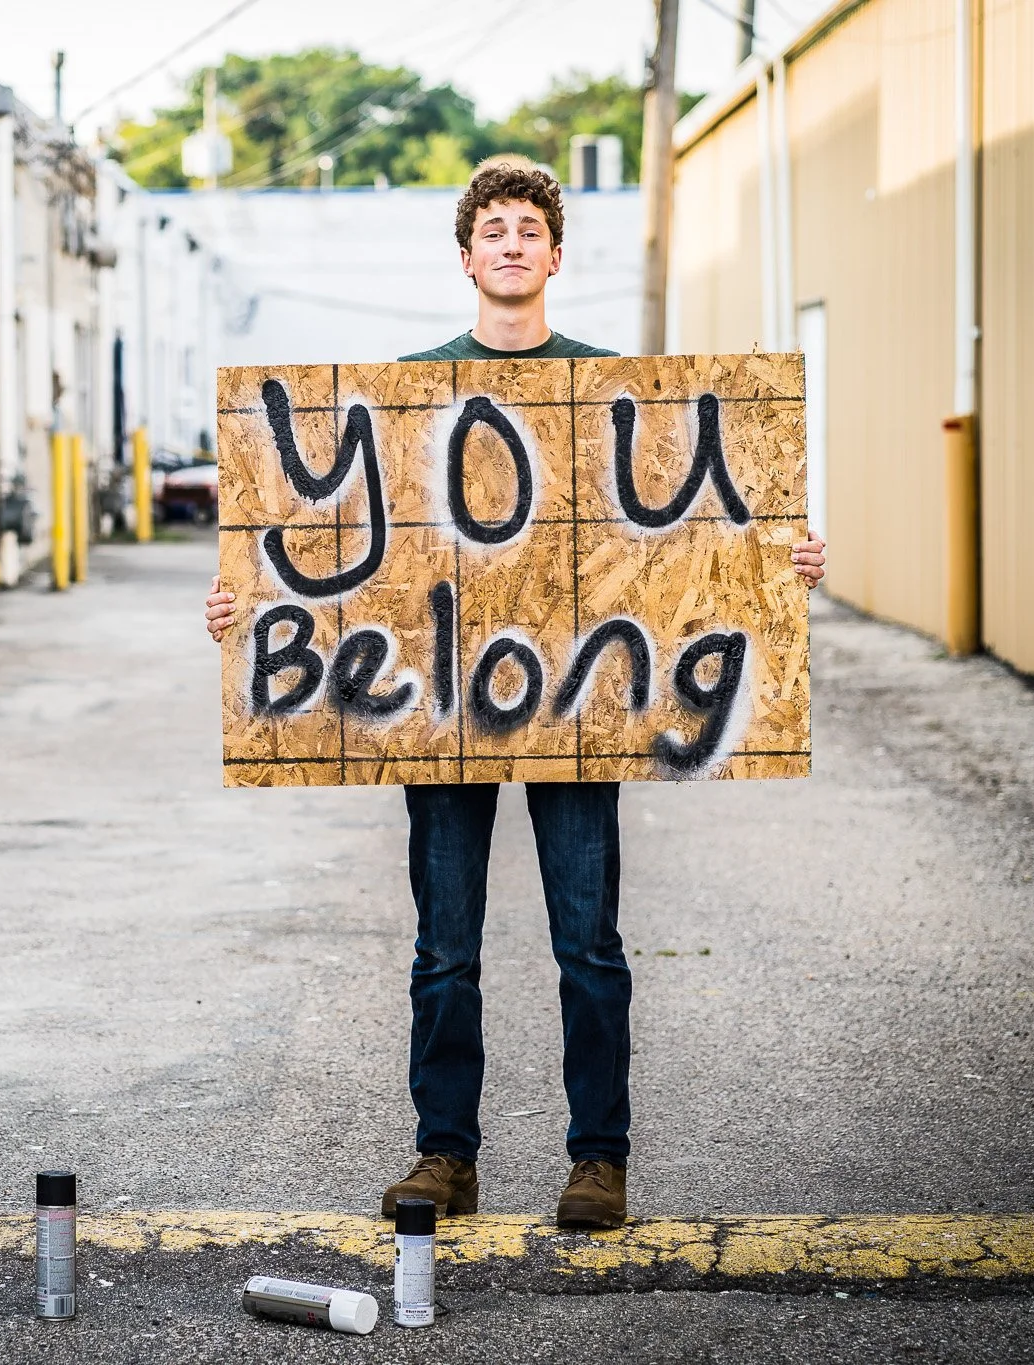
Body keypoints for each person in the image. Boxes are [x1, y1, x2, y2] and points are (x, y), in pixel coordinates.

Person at [203, 158, 828, 1229]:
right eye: (489, 229)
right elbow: (338, 545)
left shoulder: (613, 388)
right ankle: (444, 1156)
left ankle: (598, 1161)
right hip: (442, 715)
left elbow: (688, 533)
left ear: (550, 255)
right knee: (443, 949)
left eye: (525, 229)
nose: (507, 244)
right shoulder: (406, 391)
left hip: (576, 711)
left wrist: (781, 561)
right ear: (464, 256)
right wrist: (244, 610)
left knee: (586, 944)